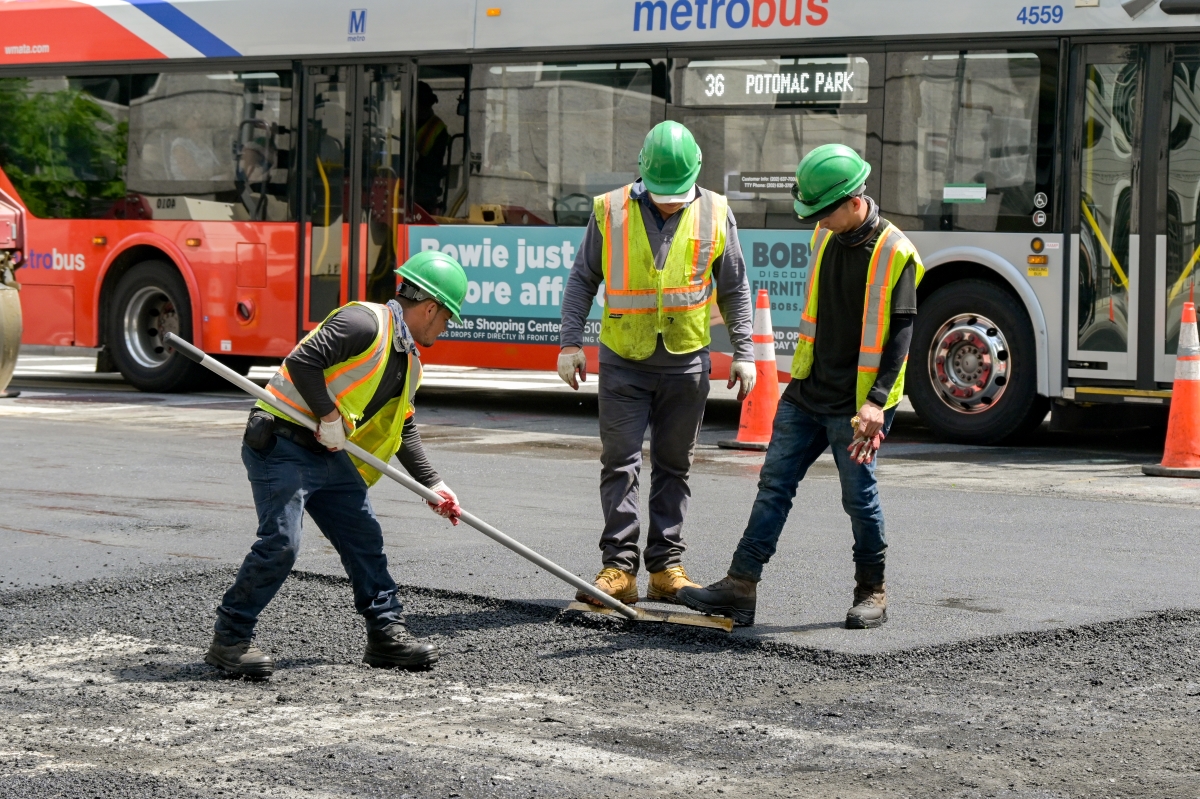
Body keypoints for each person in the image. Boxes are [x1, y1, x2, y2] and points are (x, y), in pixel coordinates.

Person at [678, 144, 924, 629]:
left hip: (858, 408)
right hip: (807, 393)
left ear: (854, 201)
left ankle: (872, 591)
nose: (818, 221)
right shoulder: (825, 234)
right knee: (773, 486)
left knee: (859, 498)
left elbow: (901, 337)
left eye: (824, 211)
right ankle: (741, 585)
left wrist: (876, 403)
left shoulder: (896, 252)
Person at [205, 251, 469, 678]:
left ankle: (386, 635)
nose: (445, 327)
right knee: (282, 543)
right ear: (430, 307)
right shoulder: (364, 323)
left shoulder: (410, 364)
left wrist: (434, 485)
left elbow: (402, 431)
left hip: (326, 451)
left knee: (364, 537)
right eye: (446, 318)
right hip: (282, 440)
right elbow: (302, 362)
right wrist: (329, 417)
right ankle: (229, 640)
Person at [558, 121, 756, 608]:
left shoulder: (715, 211)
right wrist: (569, 343)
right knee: (619, 463)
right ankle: (618, 569)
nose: (670, 201)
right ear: (643, 173)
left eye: (677, 194)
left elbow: (734, 287)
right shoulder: (610, 210)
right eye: (662, 193)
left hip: (687, 362)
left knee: (675, 465)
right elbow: (583, 278)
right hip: (624, 360)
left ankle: (666, 568)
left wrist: (745, 352)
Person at [412, 81, 449, 215]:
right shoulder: (403, 121)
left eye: (421, 104)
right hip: (398, 179)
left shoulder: (437, 129)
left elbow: (434, 164)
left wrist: (416, 158)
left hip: (423, 189)